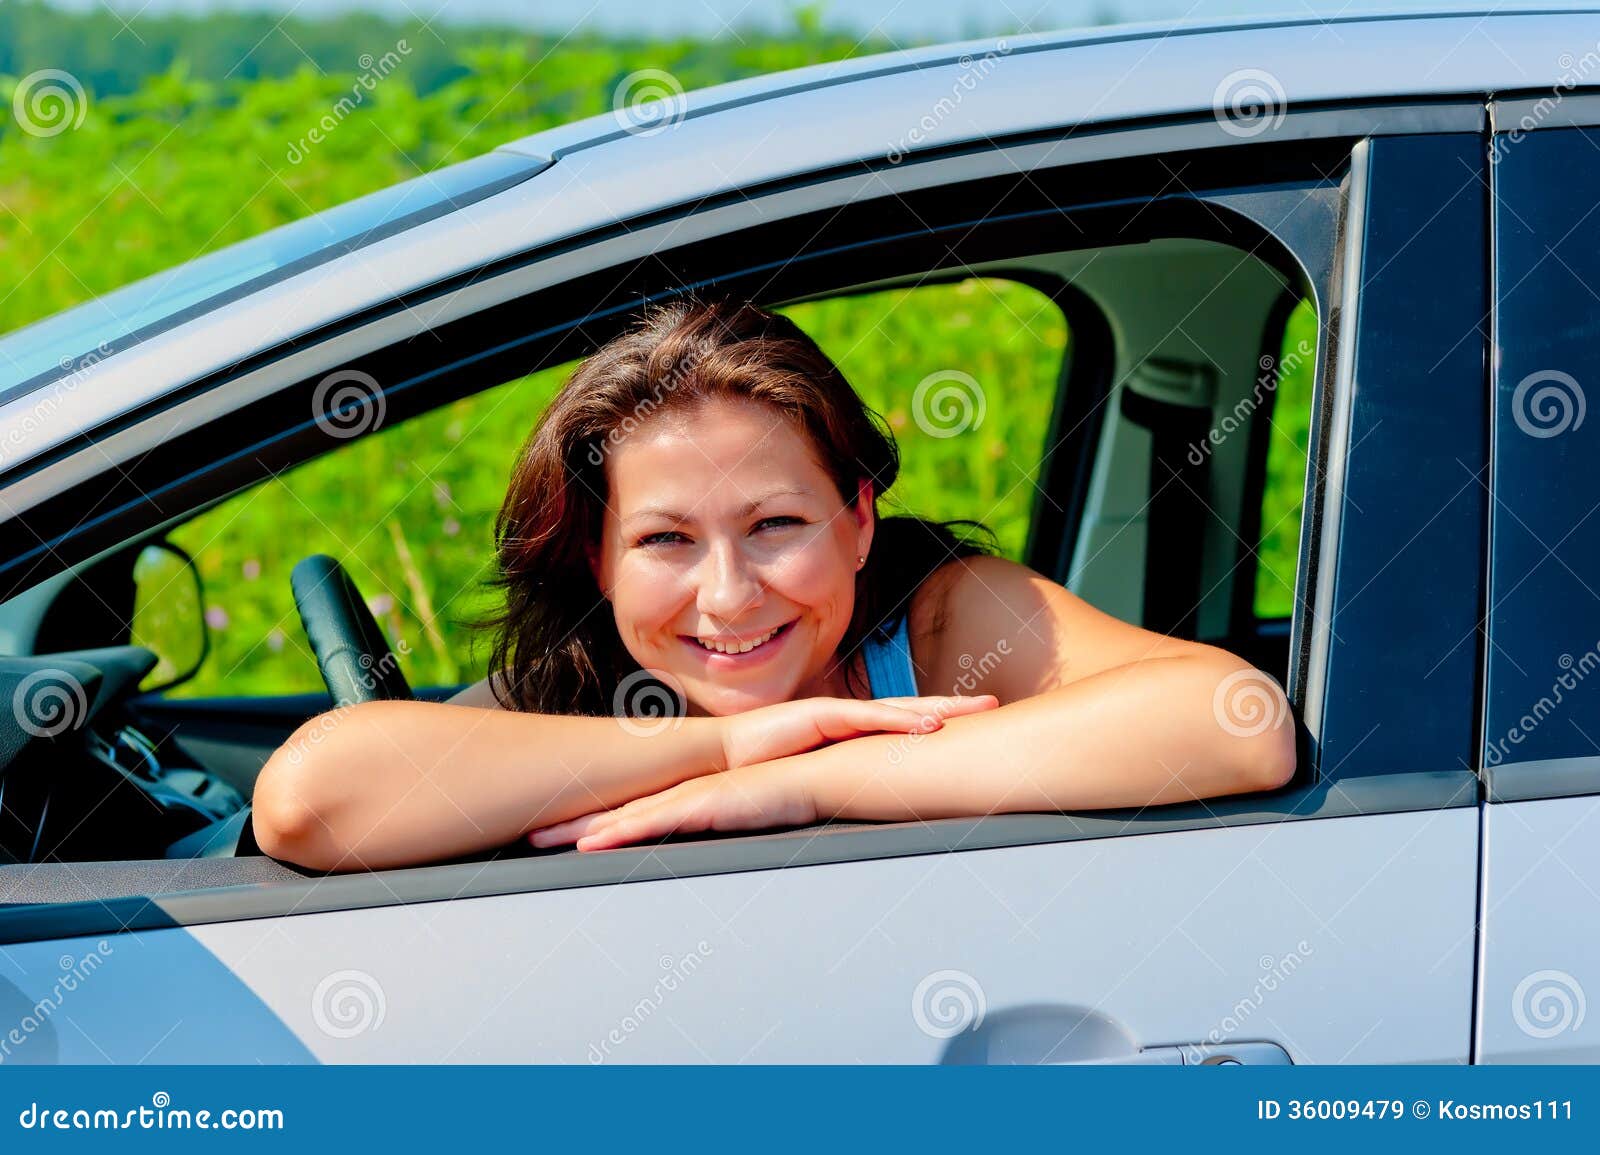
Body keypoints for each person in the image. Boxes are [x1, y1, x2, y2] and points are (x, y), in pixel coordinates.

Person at [252, 298, 1295, 872]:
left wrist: (808, 781)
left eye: (776, 526)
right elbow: (309, 802)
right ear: (598, 561)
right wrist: (725, 747)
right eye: (664, 539)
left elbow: (1233, 722)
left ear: (859, 520)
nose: (727, 596)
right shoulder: (590, 680)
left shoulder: (942, 623)